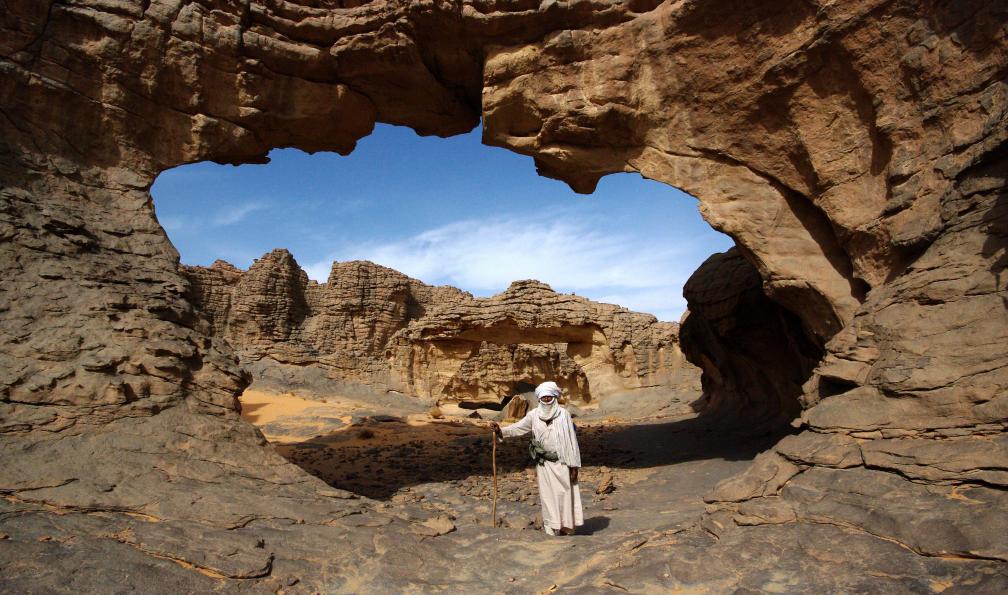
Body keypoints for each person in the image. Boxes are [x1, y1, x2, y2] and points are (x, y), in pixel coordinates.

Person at [491, 381, 583, 536]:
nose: (546, 399)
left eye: (549, 397)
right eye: (543, 397)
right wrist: (501, 431)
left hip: (562, 462)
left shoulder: (564, 415)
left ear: (554, 397)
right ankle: (551, 527)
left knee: (565, 494)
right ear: (539, 398)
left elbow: (572, 440)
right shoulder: (534, 415)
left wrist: (574, 466)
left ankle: (566, 527)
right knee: (548, 496)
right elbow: (518, 428)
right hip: (544, 464)